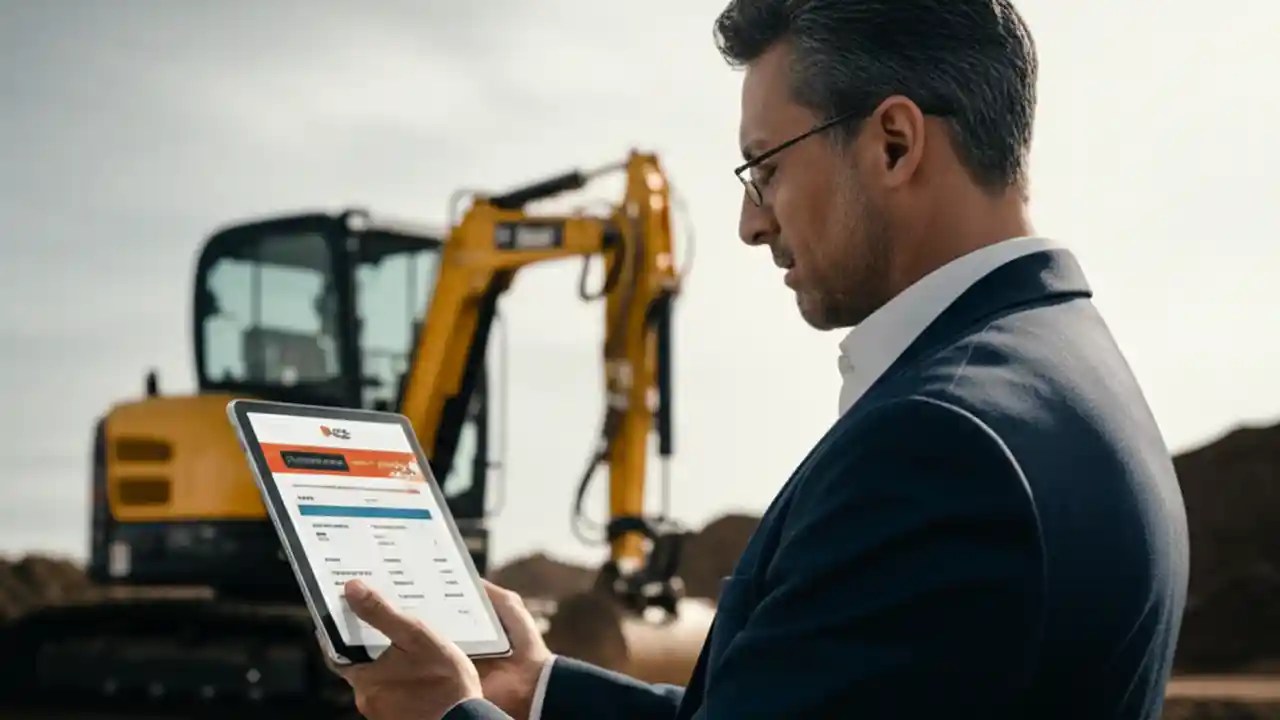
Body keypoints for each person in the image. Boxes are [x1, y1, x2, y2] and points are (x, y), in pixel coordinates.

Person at [331, 0, 1191, 717]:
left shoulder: (940, 442)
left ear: (893, 142)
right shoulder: (1069, 370)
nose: (751, 223)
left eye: (765, 170)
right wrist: (537, 690)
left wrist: (453, 713)